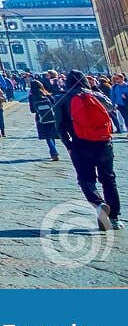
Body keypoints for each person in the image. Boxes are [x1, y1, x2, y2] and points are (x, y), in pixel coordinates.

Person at [55, 69, 121, 231]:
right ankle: (114, 218)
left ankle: (99, 204)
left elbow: (60, 126)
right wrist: (94, 89)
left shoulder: (62, 98)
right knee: (109, 179)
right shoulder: (95, 95)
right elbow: (111, 108)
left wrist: (68, 145)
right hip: (103, 142)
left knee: (86, 180)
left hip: (80, 143)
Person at [29, 71, 62, 160]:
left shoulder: (32, 97)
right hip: (51, 117)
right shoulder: (47, 95)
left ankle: (53, 152)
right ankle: (53, 151)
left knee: (47, 136)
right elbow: (54, 105)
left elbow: (32, 110)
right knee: (51, 135)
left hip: (40, 118)